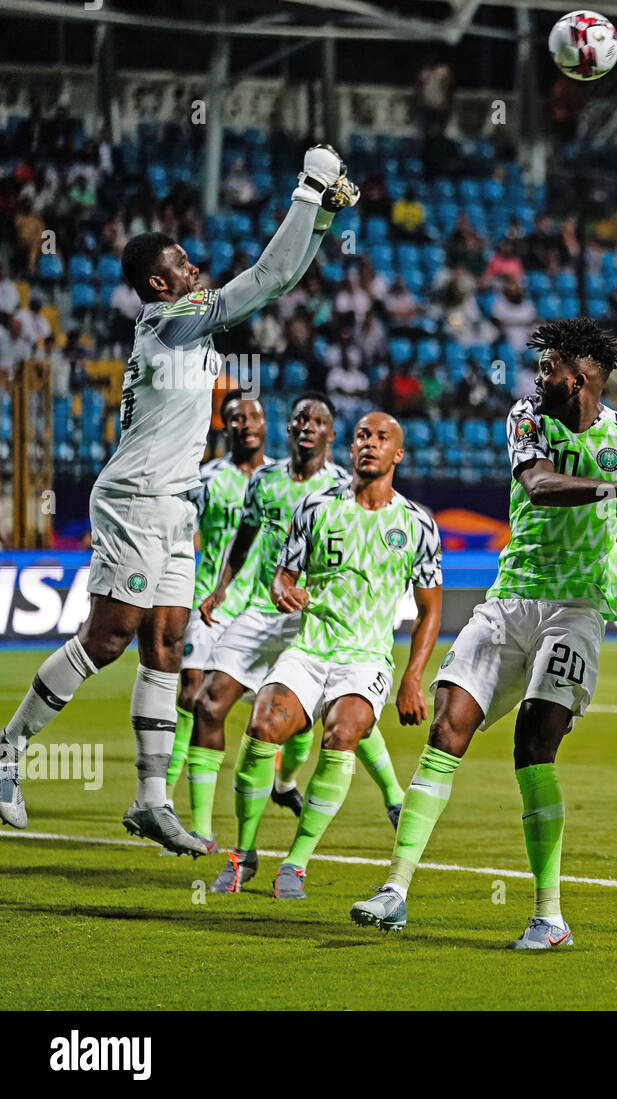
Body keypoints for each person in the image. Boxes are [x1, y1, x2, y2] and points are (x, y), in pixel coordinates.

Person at [0, 145, 359, 848]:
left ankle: (150, 800)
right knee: (107, 637)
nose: (195, 272)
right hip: (136, 498)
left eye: (192, 265)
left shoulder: (185, 323)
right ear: (159, 287)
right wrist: (308, 194)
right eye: (182, 268)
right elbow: (266, 277)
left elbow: (278, 281)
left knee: (165, 645)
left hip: (174, 502)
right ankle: (8, 751)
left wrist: (321, 221)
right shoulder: (168, 325)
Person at [349, 319, 617, 946]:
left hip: (579, 608)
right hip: (512, 598)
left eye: (550, 364)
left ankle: (548, 915)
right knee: (449, 724)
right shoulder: (527, 417)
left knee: (535, 740)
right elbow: (540, 484)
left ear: (581, 374)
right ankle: (395, 888)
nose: (539, 374)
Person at [212, 412, 443, 899]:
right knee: (262, 726)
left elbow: (429, 610)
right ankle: (244, 854)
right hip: (310, 647)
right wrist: (282, 591)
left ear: (398, 454)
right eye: (363, 436)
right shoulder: (317, 508)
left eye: (382, 439)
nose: (370, 445)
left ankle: (295, 863)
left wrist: (411, 679)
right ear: (351, 445)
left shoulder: (417, 523)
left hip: (366, 658)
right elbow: (284, 574)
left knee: (341, 733)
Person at [189, 395, 406, 862]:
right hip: (262, 609)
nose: (307, 427)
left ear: (333, 436)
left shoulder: (341, 488)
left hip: (319, 621)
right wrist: (221, 590)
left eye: (319, 421)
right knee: (208, 702)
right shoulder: (265, 482)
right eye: (301, 419)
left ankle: (383, 794)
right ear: (287, 429)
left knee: (345, 718)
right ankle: (203, 832)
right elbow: (242, 542)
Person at [162, 394, 271, 813]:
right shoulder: (205, 481)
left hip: (264, 607)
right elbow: (177, 533)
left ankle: (283, 781)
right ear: (225, 428)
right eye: (236, 418)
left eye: (253, 416)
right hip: (209, 602)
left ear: (266, 425)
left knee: (286, 704)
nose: (245, 424)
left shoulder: (283, 481)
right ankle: (164, 800)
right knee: (191, 693)